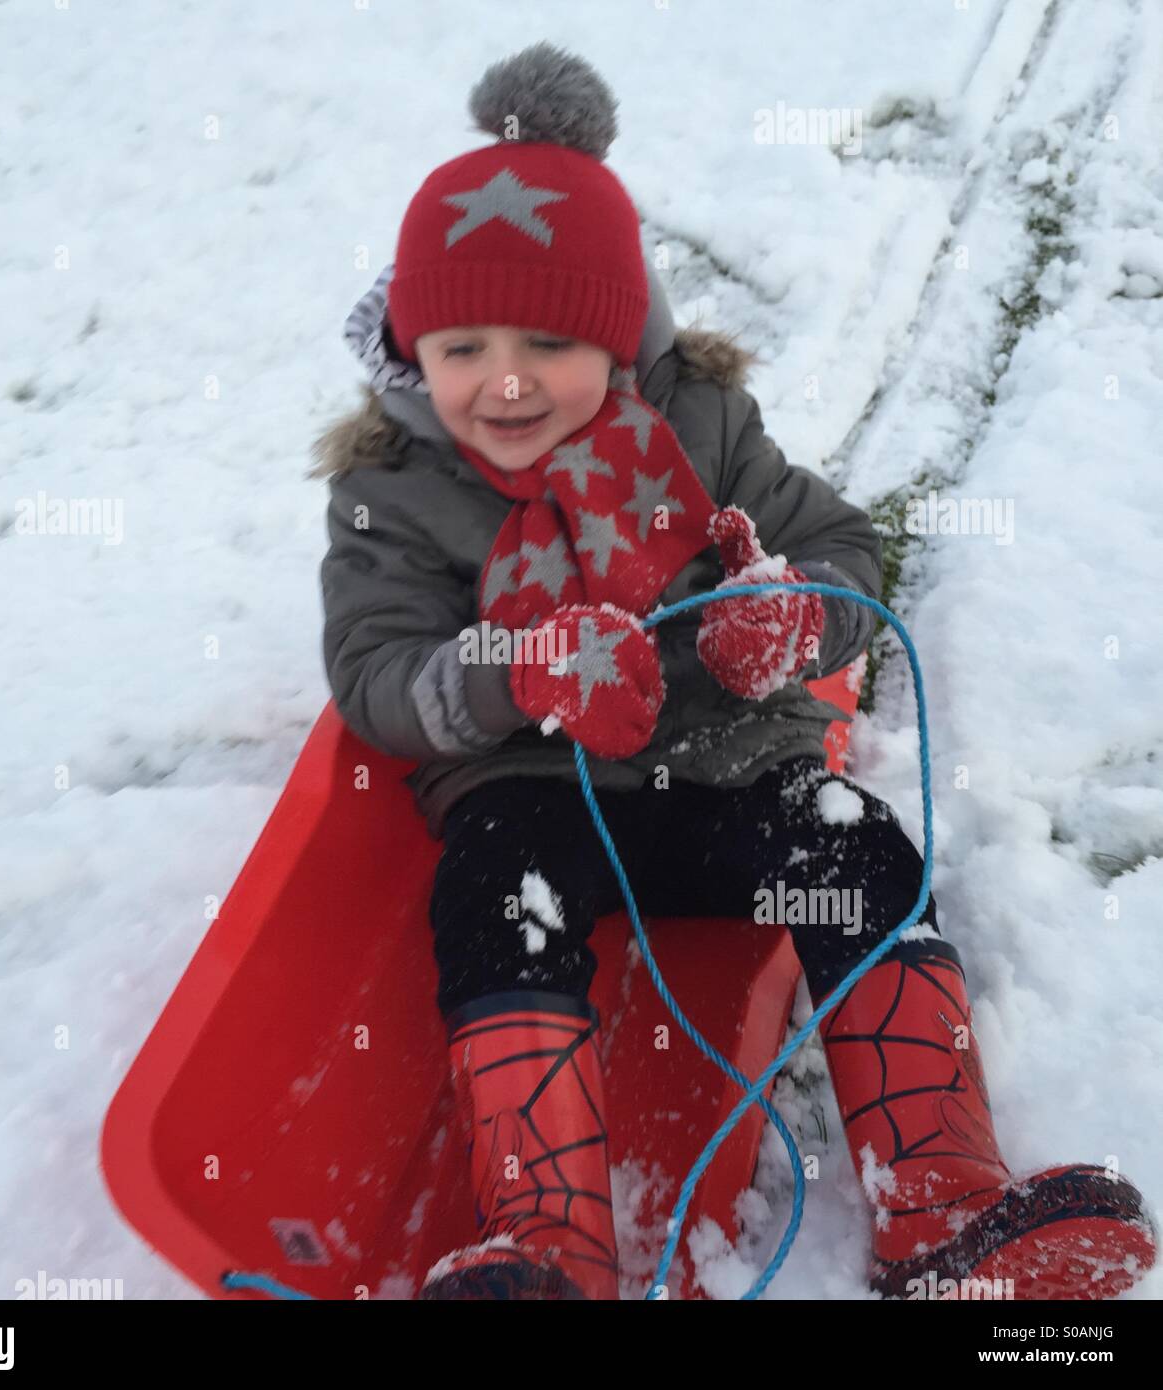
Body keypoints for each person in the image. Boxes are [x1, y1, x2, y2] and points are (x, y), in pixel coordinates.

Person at [311, 42, 1156, 1301]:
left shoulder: (698, 429)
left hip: (724, 771)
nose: (503, 378)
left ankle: (938, 1208)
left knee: (856, 850)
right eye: (461, 342)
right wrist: (515, 673)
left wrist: (789, 621)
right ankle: (552, 1244)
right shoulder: (393, 490)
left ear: (614, 335)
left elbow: (843, 550)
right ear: (410, 347)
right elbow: (375, 671)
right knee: (493, 893)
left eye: (549, 339)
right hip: (541, 793)